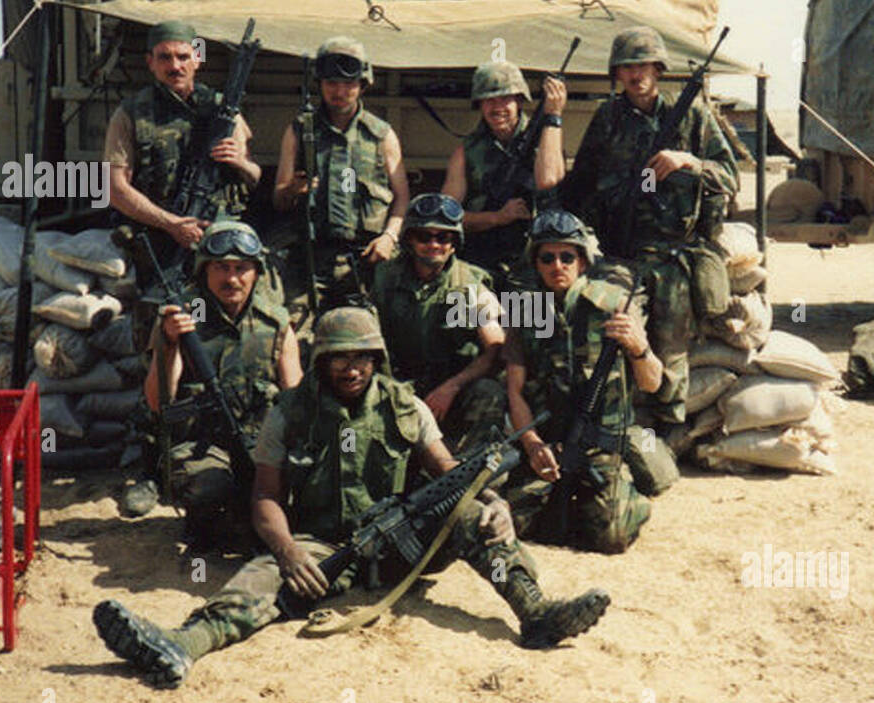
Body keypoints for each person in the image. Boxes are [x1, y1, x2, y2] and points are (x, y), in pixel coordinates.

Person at [94, 307, 610, 689]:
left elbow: (447, 469)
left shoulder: (403, 406)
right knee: (259, 578)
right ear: (320, 362)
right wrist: (289, 552)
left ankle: (535, 612)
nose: (352, 368)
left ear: (376, 358)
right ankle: (182, 645)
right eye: (339, 358)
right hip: (321, 547)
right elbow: (265, 499)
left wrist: (492, 499)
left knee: (473, 512)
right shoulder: (290, 412)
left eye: (362, 357)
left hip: (404, 543)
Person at [559, 26, 740, 427]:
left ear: (658, 69)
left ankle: (669, 428)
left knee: (673, 350)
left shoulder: (691, 115)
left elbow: (730, 176)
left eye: (643, 65)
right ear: (616, 74)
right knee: (609, 331)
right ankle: (607, 422)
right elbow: (580, 185)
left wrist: (687, 162)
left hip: (676, 254)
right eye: (626, 67)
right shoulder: (607, 120)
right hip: (622, 253)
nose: (636, 74)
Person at [123, 221, 302, 545]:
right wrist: (170, 342)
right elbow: (156, 400)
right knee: (209, 487)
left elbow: (295, 399)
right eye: (221, 267)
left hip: (259, 443)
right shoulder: (181, 318)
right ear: (204, 270)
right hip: (201, 446)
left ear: (256, 272)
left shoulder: (276, 323)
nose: (231, 278)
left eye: (241, 268)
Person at [502, 210, 666, 553]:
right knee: (516, 521)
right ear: (536, 262)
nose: (557, 265)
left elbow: (652, 383)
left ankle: (629, 491)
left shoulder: (615, 305)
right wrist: (532, 446)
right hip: (549, 445)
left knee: (611, 536)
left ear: (582, 261)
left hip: (602, 444)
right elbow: (515, 391)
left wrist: (639, 349)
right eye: (547, 257)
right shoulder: (525, 309)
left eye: (567, 256)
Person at [272, 36, 410, 314]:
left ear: (362, 85)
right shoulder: (300, 131)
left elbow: (403, 197)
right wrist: (293, 189)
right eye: (331, 83)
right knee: (295, 334)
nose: (340, 91)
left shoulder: (380, 134)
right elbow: (278, 198)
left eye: (349, 84)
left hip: (366, 261)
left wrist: (389, 237)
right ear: (320, 84)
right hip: (310, 258)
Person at [105, 21, 261, 261]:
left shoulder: (223, 110)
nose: (175, 66)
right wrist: (172, 224)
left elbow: (254, 177)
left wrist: (239, 162)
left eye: (183, 56)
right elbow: (115, 190)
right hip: (158, 236)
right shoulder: (130, 114)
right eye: (165, 57)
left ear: (197, 59)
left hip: (218, 237)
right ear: (151, 63)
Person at [370, 193, 506, 452]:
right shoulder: (385, 278)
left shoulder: (468, 285)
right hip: (399, 385)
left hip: (451, 386)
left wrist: (452, 387)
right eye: (425, 237)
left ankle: (475, 476)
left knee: (489, 391)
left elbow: (495, 349)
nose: (434, 245)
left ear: (454, 243)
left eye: (443, 238)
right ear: (410, 239)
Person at [441, 61, 567, 284]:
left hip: (532, 266)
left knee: (531, 318)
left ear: (519, 101)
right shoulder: (466, 152)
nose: (497, 107)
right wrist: (497, 218)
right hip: (476, 264)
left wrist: (553, 116)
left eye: (505, 98)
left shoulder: (546, 138)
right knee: (464, 317)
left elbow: (548, 181)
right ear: (479, 104)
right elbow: (446, 219)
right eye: (489, 100)